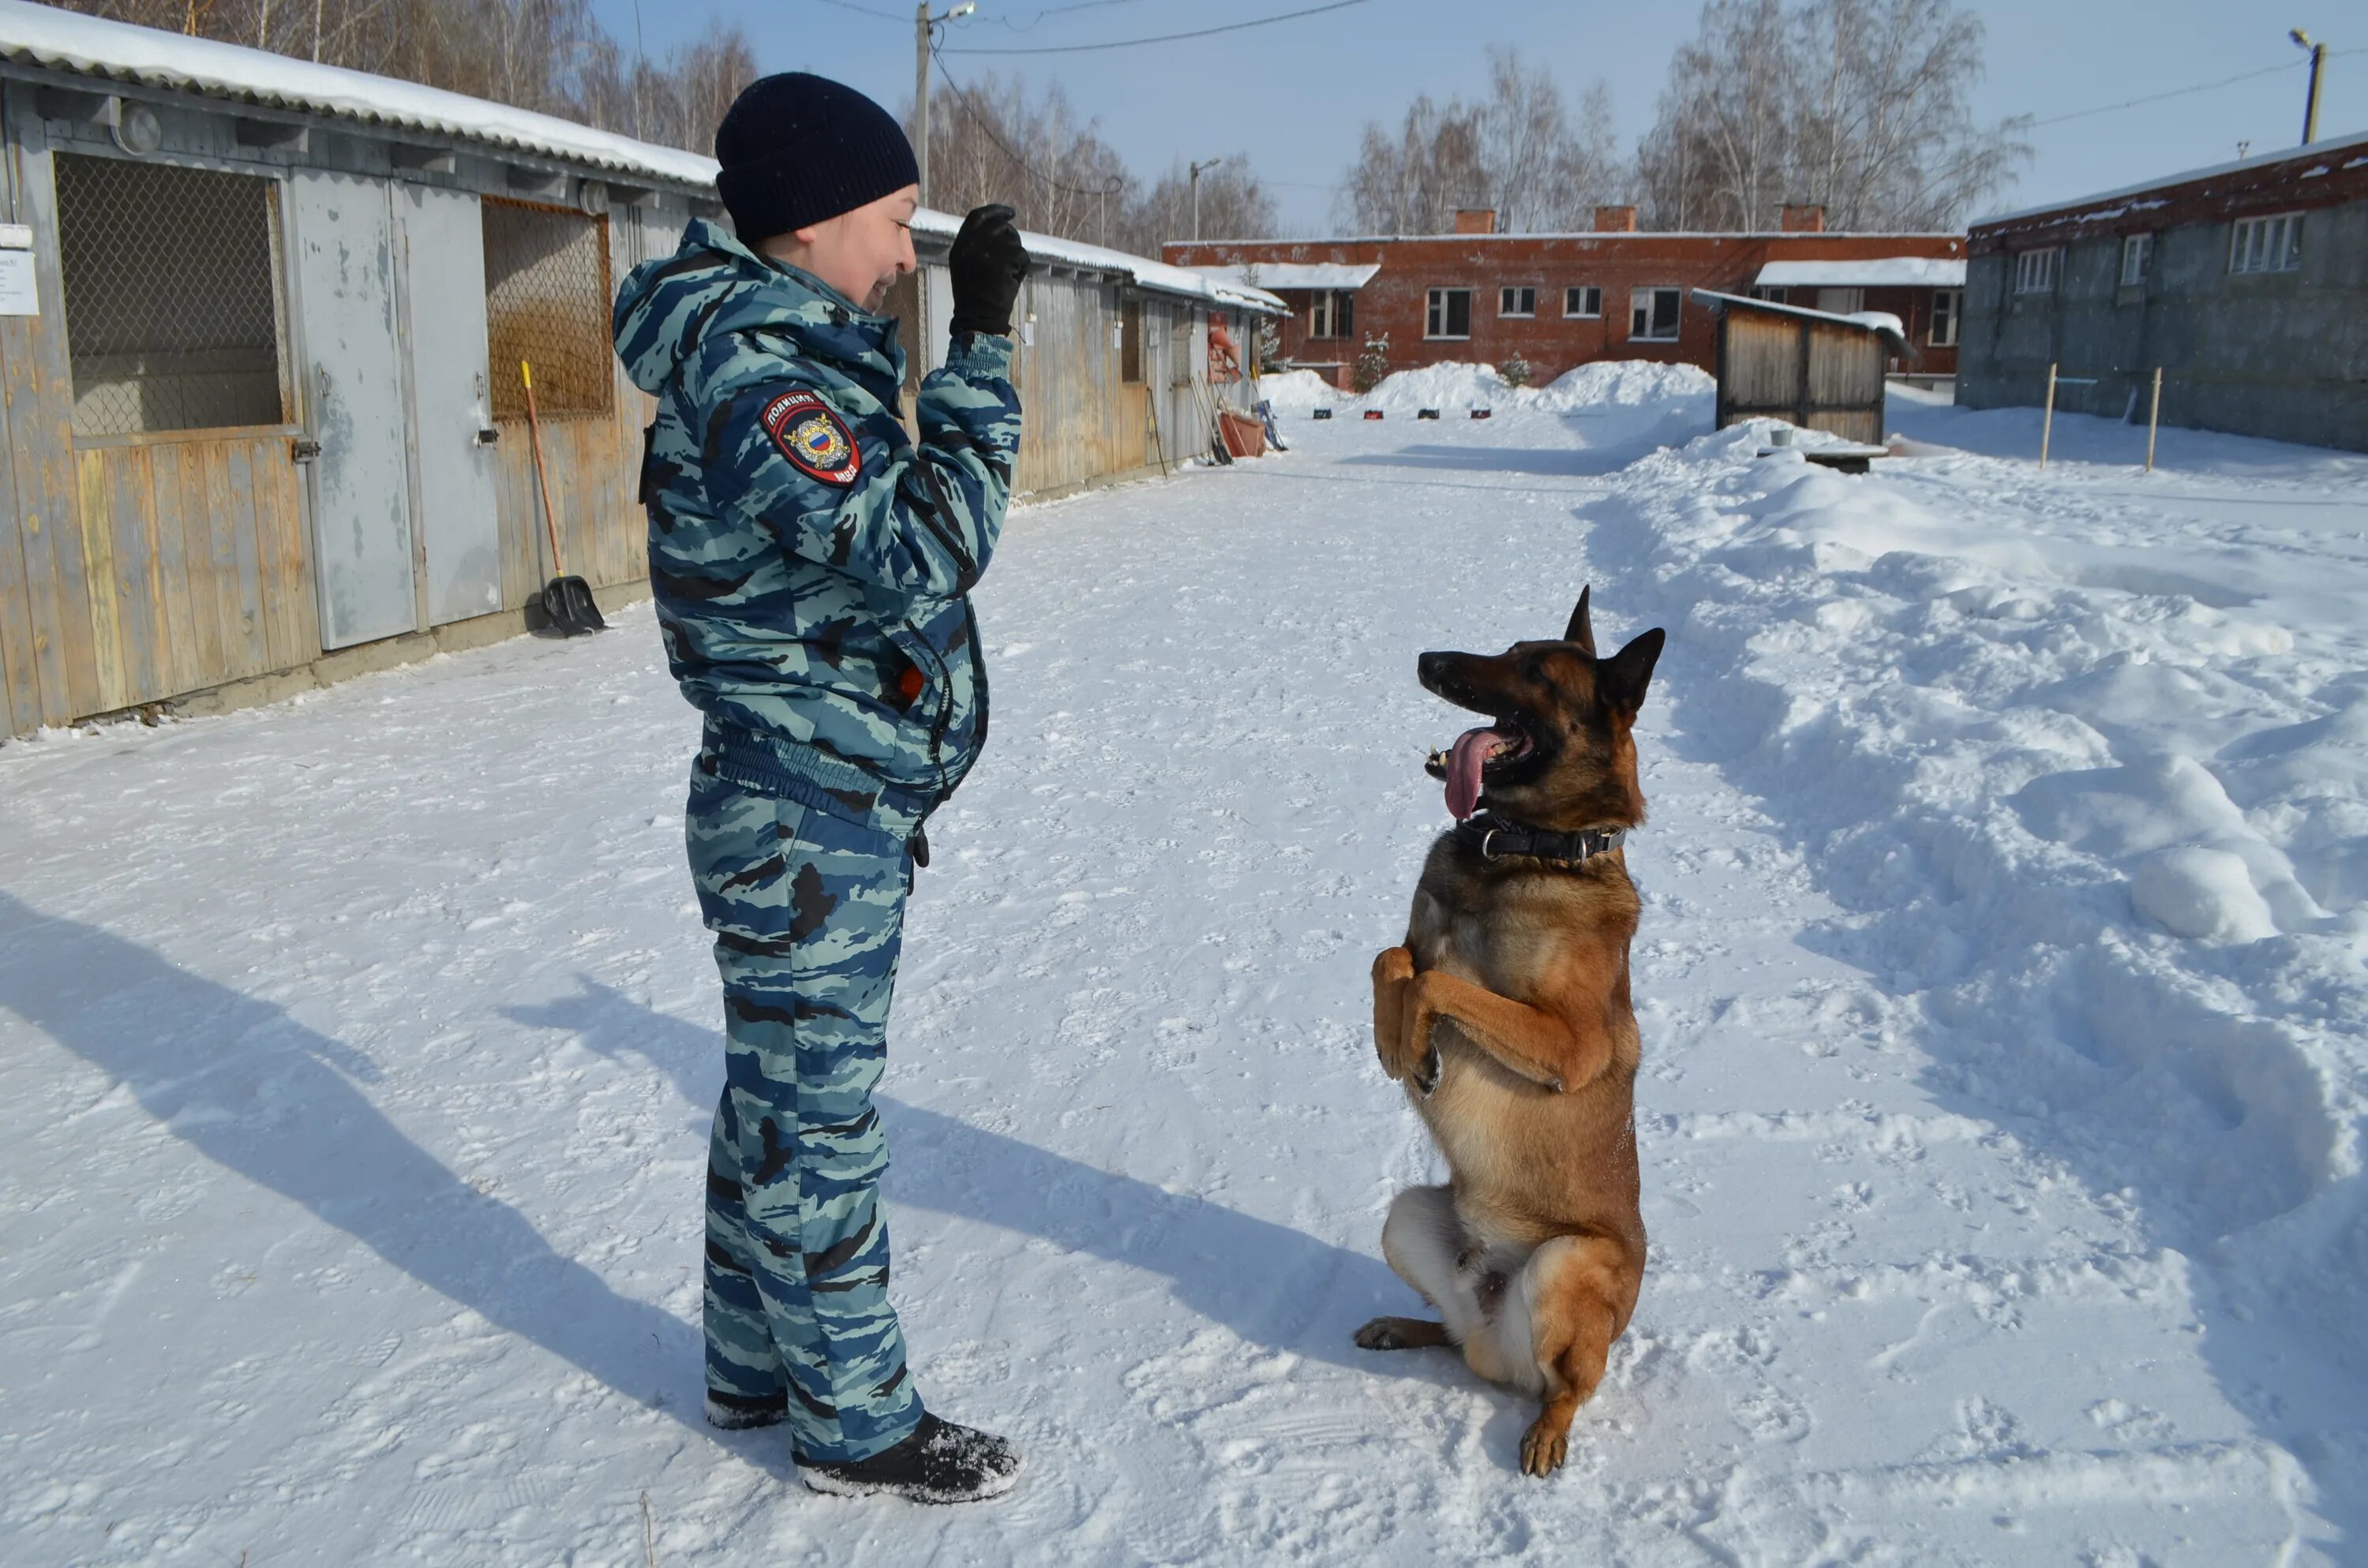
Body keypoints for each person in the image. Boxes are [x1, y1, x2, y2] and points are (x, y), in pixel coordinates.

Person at [613, 73, 1030, 1505]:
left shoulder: (782, 344)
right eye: (897, 217)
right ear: (808, 222)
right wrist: (979, 344)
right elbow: (928, 542)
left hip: (810, 800)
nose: (908, 248)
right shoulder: (762, 373)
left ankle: (749, 1368)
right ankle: (852, 1424)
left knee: (773, 1103)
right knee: (819, 1122)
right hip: (803, 813)